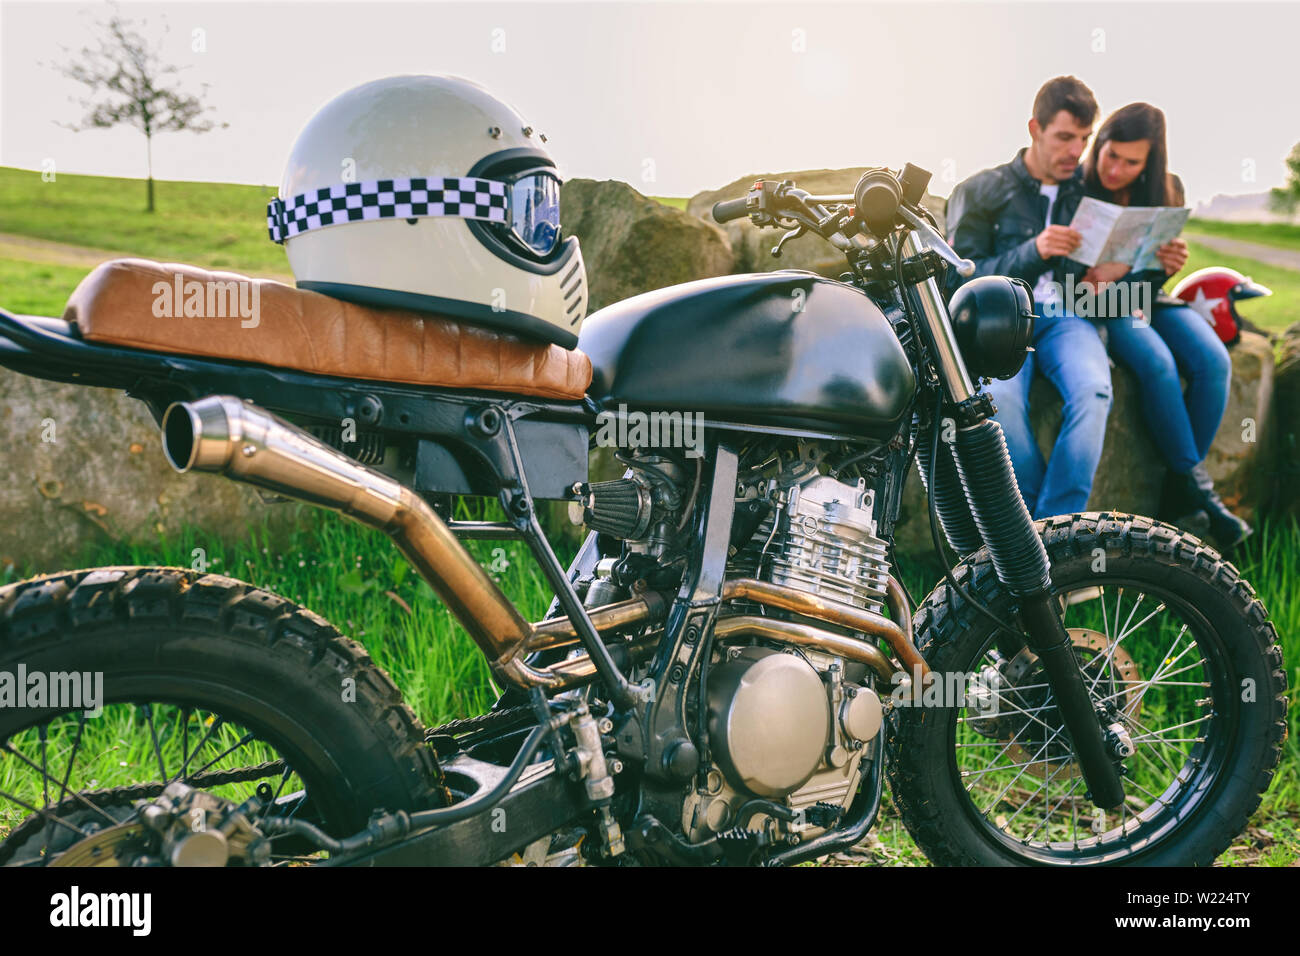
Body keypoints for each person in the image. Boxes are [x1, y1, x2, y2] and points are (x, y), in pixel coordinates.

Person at [1078, 102, 1250, 546]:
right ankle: (1200, 494)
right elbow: (1079, 283)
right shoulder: (1075, 187)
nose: (1116, 168)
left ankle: (1180, 485)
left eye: (1131, 162)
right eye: (1110, 154)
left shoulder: (1167, 189)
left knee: (1213, 360)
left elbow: (1151, 274)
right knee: (1156, 361)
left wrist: (1165, 266)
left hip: (1148, 297)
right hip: (1102, 305)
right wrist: (1115, 286)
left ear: (1150, 162)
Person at [945, 76, 1108, 519]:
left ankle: (1058, 529)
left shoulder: (1090, 195)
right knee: (1004, 406)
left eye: (1084, 139)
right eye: (1064, 137)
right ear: (1035, 129)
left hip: (1070, 317)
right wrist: (1034, 251)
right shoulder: (980, 190)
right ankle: (1035, 531)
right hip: (1003, 322)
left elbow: (1098, 276)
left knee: (1094, 391)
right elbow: (959, 277)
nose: (1076, 151)